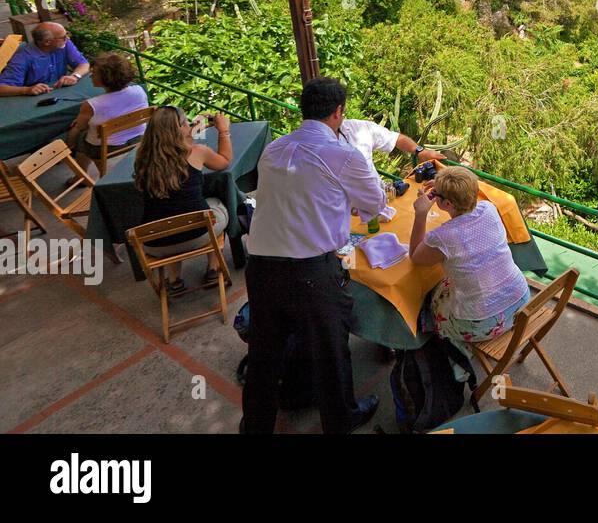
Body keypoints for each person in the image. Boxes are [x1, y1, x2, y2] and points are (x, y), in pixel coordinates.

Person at [241, 76, 386, 434]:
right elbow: (375, 203)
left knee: (264, 352)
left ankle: (254, 426)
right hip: (310, 271)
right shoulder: (344, 155)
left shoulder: (274, 149)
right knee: (331, 350)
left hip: (259, 265)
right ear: (339, 113)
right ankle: (340, 420)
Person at [408, 165, 531, 371]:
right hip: (521, 301)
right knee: (451, 279)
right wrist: (444, 188)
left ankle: (456, 354)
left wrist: (420, 214)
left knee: (430, 298)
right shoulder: (489, 209)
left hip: (482, 324)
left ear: (446, 203)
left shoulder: (443, 237)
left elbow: (416, 257)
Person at [133, 106, 232, 295]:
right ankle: (213, 267)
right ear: (178, 129)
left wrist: (194, 129)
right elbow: (224, 161)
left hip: (155, 244)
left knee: (168, 215)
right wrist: (224, 131)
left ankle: (174, 279)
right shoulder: (197, 152)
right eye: (186, 122)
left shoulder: (141, 157)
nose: (190, 125)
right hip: (198, 234)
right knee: (217, 202)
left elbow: (170, 141)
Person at [66, 53, 149, 177]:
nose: (90, 76)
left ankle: (81, 177)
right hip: (139, 138)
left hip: (108, 148)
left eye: (93, 73)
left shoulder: (92, 105)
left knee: (80, 139)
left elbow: (79, 127)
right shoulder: (139, 90)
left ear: (106, 79)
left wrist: (68, 146)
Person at [0, 22, 90, 97]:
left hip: (61, 93)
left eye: (66, 34)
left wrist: (75, 76)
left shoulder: (64, 43)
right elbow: (2, 88)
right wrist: (26, 90)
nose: (67, 38)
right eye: (63, 37)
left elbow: (84, 64)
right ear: (47, 42)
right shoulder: (22, 57)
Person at [338, 116, 443, 178]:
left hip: (376, 200)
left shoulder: (358, 127)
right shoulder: (324, 145)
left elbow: (395, 138)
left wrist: (420, 151)